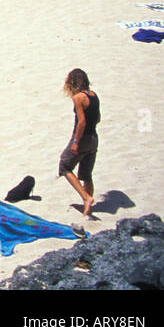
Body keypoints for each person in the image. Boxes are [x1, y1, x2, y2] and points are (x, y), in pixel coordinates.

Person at [59, 69, 100, 217]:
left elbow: (81, 122)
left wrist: (76, 142)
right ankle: (87, 209)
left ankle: (86, 197)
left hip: (82, 138)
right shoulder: (94, 95)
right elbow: (98, 118)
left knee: (64, 166)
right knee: (86, 174)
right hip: (94, 138)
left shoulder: (78, 98)